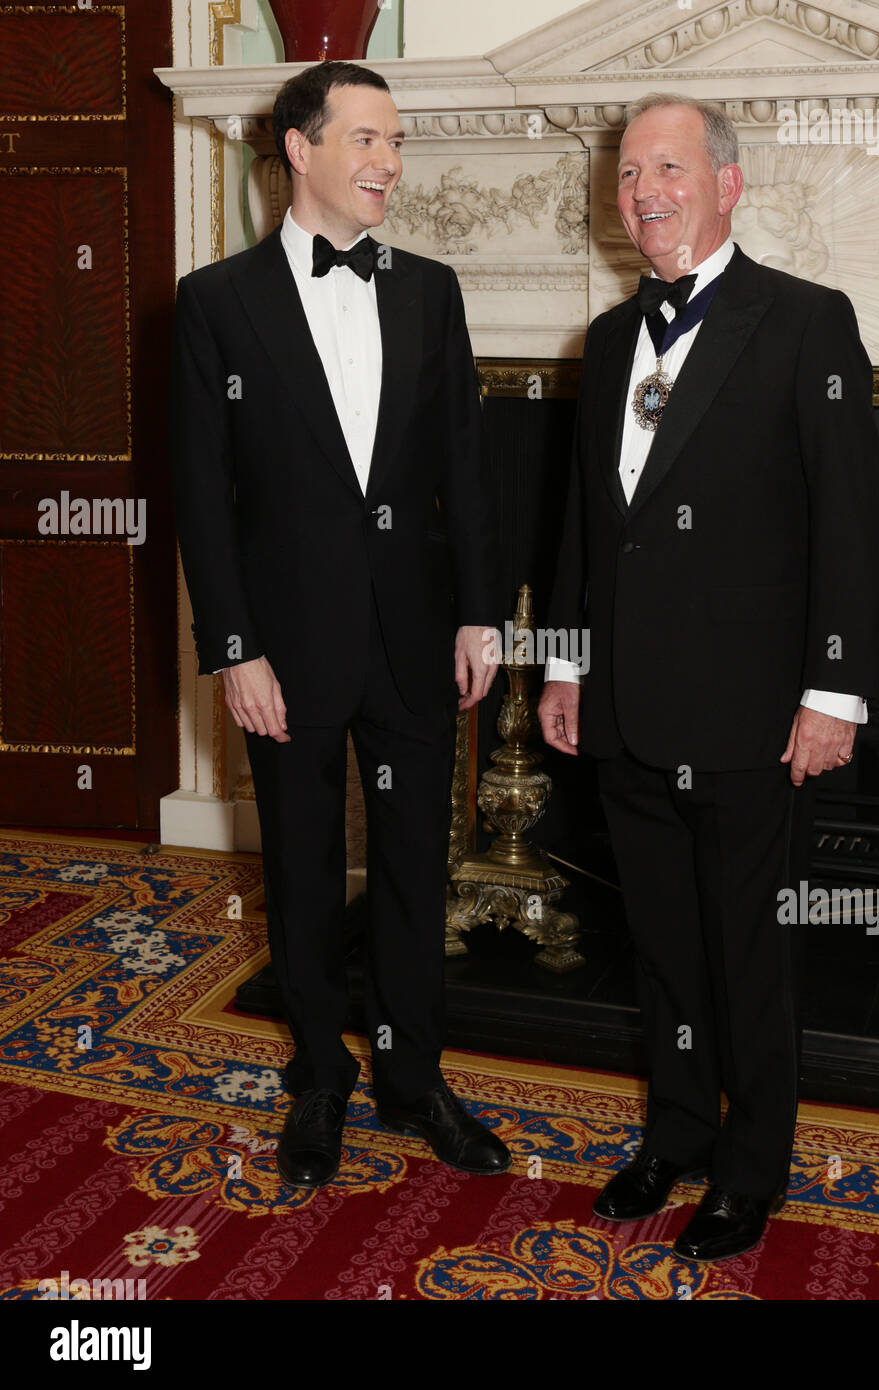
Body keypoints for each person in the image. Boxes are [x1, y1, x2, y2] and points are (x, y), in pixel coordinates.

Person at [538, 93, 879, 1262]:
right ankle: (678, 1130)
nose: (647, 190)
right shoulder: (604, 341)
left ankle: (753, 1166)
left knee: (749, 954)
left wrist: (833, 693)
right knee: (665, 947)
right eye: (632, 170)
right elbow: (587, 529)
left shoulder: (805, 323)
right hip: (629, 709)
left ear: (727, 184)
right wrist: (570, 662)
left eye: (671, 167)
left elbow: (851, 521)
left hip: (754, 715)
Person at [169, 61, 509, 1189]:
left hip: (417, 643)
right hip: (285, 651)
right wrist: (231, 646)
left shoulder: (432, 289)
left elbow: (467, 462)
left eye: (397, 143)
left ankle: (415, 1079)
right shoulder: (216, 302)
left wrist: (478, 613)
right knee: (306, 872)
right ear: (300, 150)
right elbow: (201, 495)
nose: (389, 165)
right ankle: (321, 1077)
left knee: (418, 870)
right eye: (367, 140)